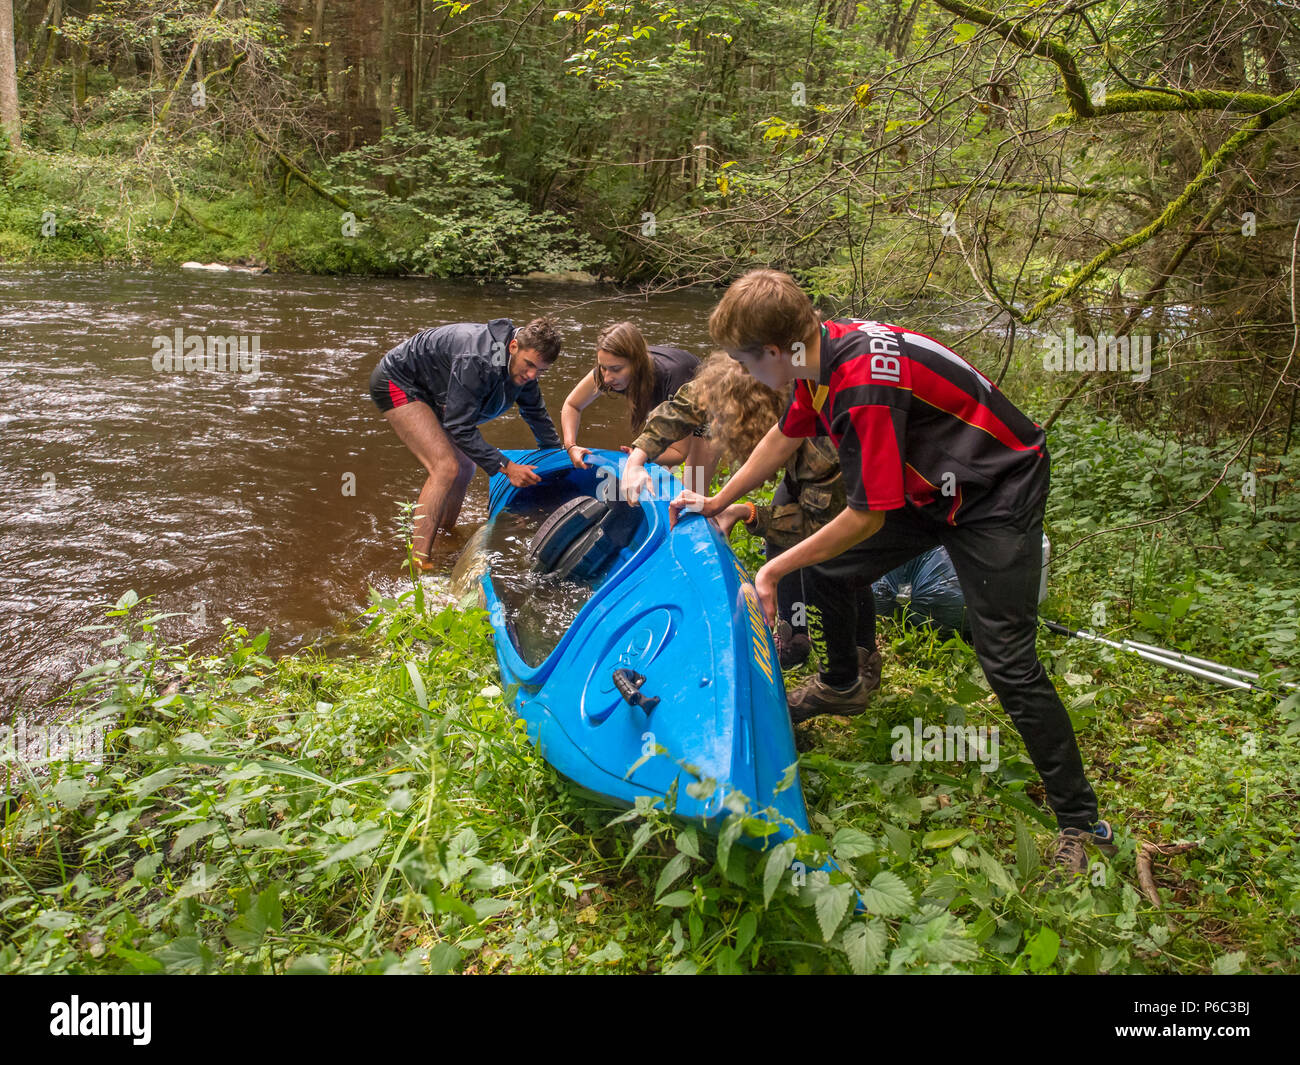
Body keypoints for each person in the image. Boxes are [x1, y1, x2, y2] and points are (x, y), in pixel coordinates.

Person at [669, 269, 1113, 876]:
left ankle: (1082, 823)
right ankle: (844, 684)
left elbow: (866, 518)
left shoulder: (861, 388)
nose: (746, 375)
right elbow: (784, 434)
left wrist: (770, 570)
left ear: (773, 352)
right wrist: (718, 500)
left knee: (1007, 658)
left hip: (995, 490)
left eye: (747, 362)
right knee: (826, 569)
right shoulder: (816, 353)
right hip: (931, 485)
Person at [642, 355, 881, 708]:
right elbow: (687, 403)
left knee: (837, 561)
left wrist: (747, 511)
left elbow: (821, 526)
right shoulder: (740, 375)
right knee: (780, 545)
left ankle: (860, 659)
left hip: (855, 496)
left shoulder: (820, 443)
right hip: (809, 469)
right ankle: (794, 634)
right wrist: (638, 454)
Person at [370, 316, 563, 569]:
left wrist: (559, 456)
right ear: (513, 346)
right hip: (398, 381)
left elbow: (535, 413)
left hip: (437, 389)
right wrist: (507, 466)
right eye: (528, 365)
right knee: (445, 467)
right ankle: (418, 562)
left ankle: (444, 534)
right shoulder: (478, 360)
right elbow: (460, 426)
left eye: (540, 371)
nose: (531, 375)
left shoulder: (524, 370)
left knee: (466, 467)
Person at [560, 321, 714, 490]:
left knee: (695, 490)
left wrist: (639, 455)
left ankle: (721, 512)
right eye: (603, 368)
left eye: (616, 369)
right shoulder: (607, 372)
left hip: (704, 406)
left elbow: (678, 453)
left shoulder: (672, 378)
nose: (607, 379)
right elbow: (572, 405)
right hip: (661, 396)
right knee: (655, 482)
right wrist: (571, 446)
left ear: (637, 363)